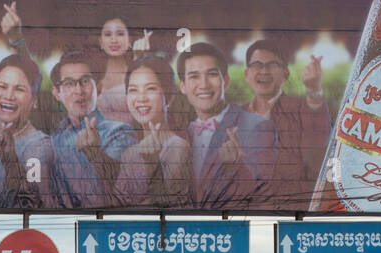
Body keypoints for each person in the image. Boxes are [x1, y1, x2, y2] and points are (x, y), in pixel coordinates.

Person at [176, 42, 276, 209]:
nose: (204, 84)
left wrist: (234, 169)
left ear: (226, 80)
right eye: (194, 76)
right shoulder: (181, 136)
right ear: (183, 86)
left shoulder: (258, 127)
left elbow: (264, 198)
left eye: (212, 74)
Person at [244, 39, 330, 211]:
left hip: (292, 214)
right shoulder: (235, 117)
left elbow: (319, 142)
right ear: (246, 74)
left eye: (272, 65)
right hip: (242, 217)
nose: (264, 71)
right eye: (257, 65)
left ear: (286, 74)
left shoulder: (301, 109)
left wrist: (314, 90)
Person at [49, 50, 138, 208]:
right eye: (69, 83)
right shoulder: (52, 140)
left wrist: (97, 156)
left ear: (100, 87)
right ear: (57, 93)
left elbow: (125, 189)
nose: (79, 91)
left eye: (85, 81)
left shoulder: (120, 133)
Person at [0, 53, 54, 209]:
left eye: (19, 89)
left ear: (34, 101)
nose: (8, 96)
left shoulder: (40, 147)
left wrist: (9, 160)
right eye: (2, 86)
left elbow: (34, 205)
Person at [116, 55, 191, 207]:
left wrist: (153, 165)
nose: (141, 98)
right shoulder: (129, 154)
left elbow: (170, 207)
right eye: (133, 90)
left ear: (168, 97)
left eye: (150, 88)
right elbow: (116, 206)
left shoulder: (179, 148)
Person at [92, 15, 149, 125]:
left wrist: (139, 58)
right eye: (108, 34)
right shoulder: (93, 75)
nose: (114, 40)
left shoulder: (137, 71)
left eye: (120, 34)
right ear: (100, 42)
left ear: (130, 40)